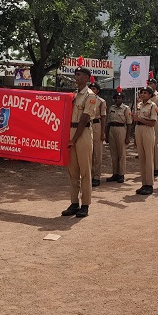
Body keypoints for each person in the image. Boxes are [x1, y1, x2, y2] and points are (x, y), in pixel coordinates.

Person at [62, 66, 96, 218]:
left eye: (79, 74)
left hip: (82, 134)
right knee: (73, 171)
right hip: (71, 132)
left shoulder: (90, 95)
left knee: (85, 171)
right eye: (76, 74)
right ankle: (74, 202)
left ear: (87, 78)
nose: (76, 76)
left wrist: (73, 140)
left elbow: (84, 119)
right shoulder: (74, 95)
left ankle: (85, 204)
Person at [133, 86, 158, 195]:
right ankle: (144, 183)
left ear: (150, 95)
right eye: (142, 92)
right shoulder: (138, 105)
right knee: (141, 157)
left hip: (148, 130)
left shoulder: (153, 106)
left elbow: (152, 122)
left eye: (145, 93)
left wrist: (140, 119)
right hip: (139, 129)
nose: (143, 94)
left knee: (148, 157)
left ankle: (149, 184)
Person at [105, 90, 132, 183]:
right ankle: (115, 173)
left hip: (121, 129)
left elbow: (129, 123)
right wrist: (107, 135)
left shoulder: (126, 109)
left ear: (123, 99)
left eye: (119, 98)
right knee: (113, 153)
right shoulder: (112, 108)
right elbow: (108, 122)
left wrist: (128, 137)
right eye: (116, 98)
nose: (117, 99)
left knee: (121, 153)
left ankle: (121, 174)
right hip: (112, 128)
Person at [89, 81, 107, 187]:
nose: (92, 90)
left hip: (97, 125)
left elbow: (103, 117)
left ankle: (96, 176)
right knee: (88, 152)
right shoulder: (85, 100)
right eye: (91, 88)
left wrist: (103, 132)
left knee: (97, 153)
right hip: (87, 125)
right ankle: (89, 175)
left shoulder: (101, 101)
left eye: (94, 88)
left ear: (98, 91)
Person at [147, 77, 158, 178]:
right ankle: (149, 166)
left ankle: (156, 167)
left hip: (156, 119)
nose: (150, 84)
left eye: (152, 83)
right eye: (148, 83)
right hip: (147, 120)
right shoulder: (145, 95)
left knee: (156, 144)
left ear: (156, 85)